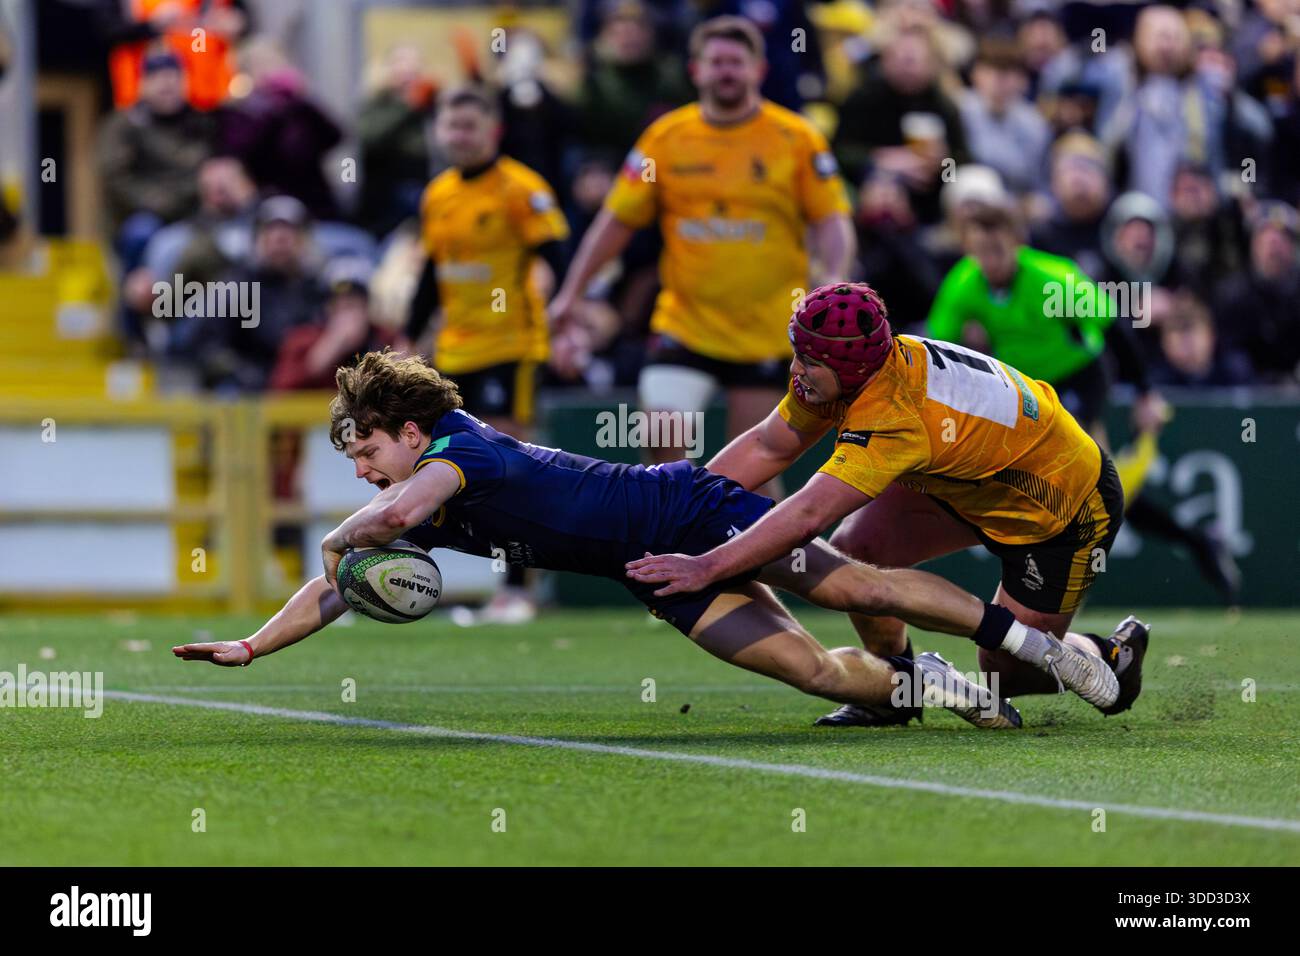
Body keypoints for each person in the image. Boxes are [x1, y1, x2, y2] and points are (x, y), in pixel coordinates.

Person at [172, 349, 1128, 729]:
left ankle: (1035, 647)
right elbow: (339, 578)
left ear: (412, 432)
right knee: (820, 673)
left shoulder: (457, 455)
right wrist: (255, 643)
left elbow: (375, 527)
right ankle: (947, 689)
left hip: (689, 510)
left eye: (367, 447)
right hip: (652, 574)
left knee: (846, 585)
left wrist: (344, 535)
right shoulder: (415, 488)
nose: (361, 467)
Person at [627, 282, 1149, 728]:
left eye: (808, 360)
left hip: (1063, 504)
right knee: (859, 548)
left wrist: (706, 565)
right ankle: (896, 687)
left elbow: (807, 515)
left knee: (1005, 673)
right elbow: (770, 445)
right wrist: (678, 504)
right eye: (796, 352)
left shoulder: (894, 415)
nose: (796, 369)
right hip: (969, 477)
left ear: (849, 369)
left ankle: (1105, 654)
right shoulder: (849, 367)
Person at [551, 16, 854, 487]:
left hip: (767, 330)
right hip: (685, 325)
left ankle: (748, 557)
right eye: (716, 62)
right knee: (661, 438)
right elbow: (615, 223)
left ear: (758, 69)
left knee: (753, 474)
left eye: (736, 62)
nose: (726, 71)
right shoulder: (665, 139)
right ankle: (680, 544)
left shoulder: (796, 138)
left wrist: (835, 276)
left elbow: (832, 219)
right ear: (696, 70)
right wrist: (571, 295)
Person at [404, 84, 571, 624]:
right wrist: (409, 338)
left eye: (469, 126)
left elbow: (555, 257)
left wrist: (560, 310)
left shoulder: (521, 189)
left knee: (504, 468)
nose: (459, 136)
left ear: (492, 131)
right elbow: (431, 274)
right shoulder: (438, 194)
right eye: (451, 126)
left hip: (509, 347)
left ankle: (519, 589)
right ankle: (400, 578)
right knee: (433, 465)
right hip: (453, 350)